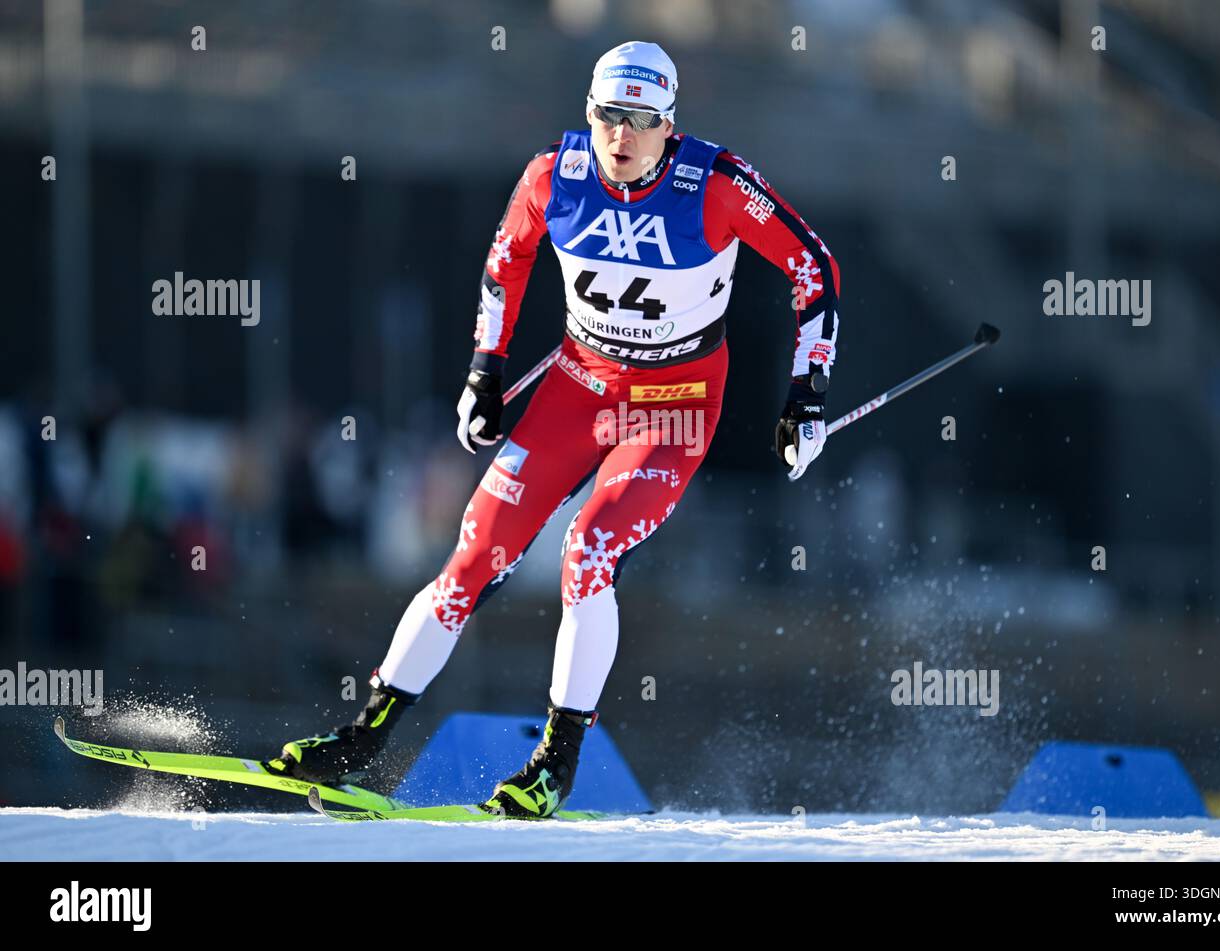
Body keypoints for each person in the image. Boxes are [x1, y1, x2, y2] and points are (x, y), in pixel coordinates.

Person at [267, 40, 841, 817]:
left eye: (641, 120)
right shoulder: (553, 176)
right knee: (475, 552)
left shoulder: (718, 185)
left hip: (673, 402)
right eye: (609, 116)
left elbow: (814, 266)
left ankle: (555, 762)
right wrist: (484, 370)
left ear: (669, 126)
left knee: (588, 548)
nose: (622, 135)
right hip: (578, 386)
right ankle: (363, 739)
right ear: (589, 113)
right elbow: (505, 263)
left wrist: (806, 394)